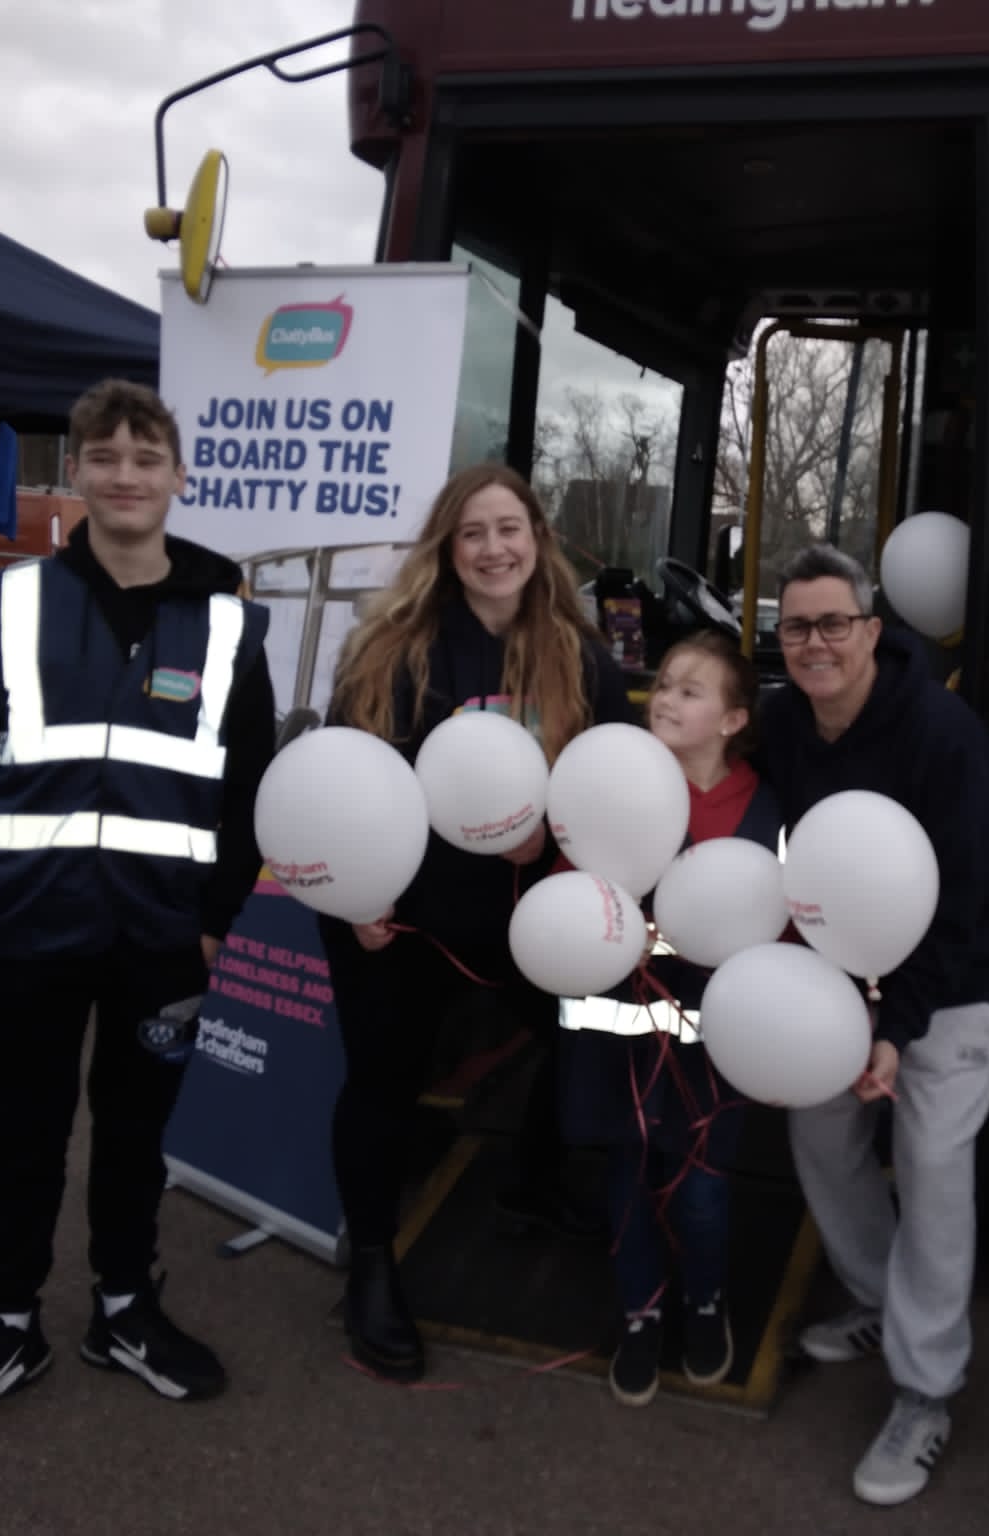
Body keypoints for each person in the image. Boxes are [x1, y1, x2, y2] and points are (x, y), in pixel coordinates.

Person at [0, 379, 276, 1445]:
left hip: (165, 939)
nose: (123, 476)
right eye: (103, 457)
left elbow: (251, 785)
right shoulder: (2, 605)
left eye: (144, 458)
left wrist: (217, 920)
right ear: (75, 473)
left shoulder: (228, 626)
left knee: (135, 1136)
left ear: (177, 477)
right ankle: (7, 1323)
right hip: (24, 932)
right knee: (24, 1138)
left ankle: (122, 1308)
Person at [321, 463, 633, 1384]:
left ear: (538, 541)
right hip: (401, 914)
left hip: (524, 914)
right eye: (473, 533)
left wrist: (554, 848)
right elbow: (340, 783)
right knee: (380, 1080)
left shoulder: (581, 661)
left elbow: (612, 790)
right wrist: (354, 898)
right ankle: (372, 1264)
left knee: (583, 1029)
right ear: (446, 552)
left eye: (510, 529)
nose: (494, 549)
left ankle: (534, 1182)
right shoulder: (394, 651)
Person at [760, 543, 989, 1508]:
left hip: (956, 981)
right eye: (797, 626)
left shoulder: (943, 736)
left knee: (934, 1167)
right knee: (819, 1131)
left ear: (873, 629)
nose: (816, 642)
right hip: (848, 973)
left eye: (835, 623)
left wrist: (894, 1025)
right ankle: (879, 1295)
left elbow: (956, 904)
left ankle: (926, 1390)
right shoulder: (787, 721)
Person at [555, 629, 780, 1407]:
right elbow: (567, 887)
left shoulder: (762, 805)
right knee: (629, 1174)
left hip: (713, 1044)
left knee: (701, 1188)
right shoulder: (615, 781)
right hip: (618, 1026)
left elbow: (780, 920)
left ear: (732, 720)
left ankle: (705, 1303)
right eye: (666, 683)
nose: (668, 697)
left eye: (692, 689)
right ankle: (641, 1312)